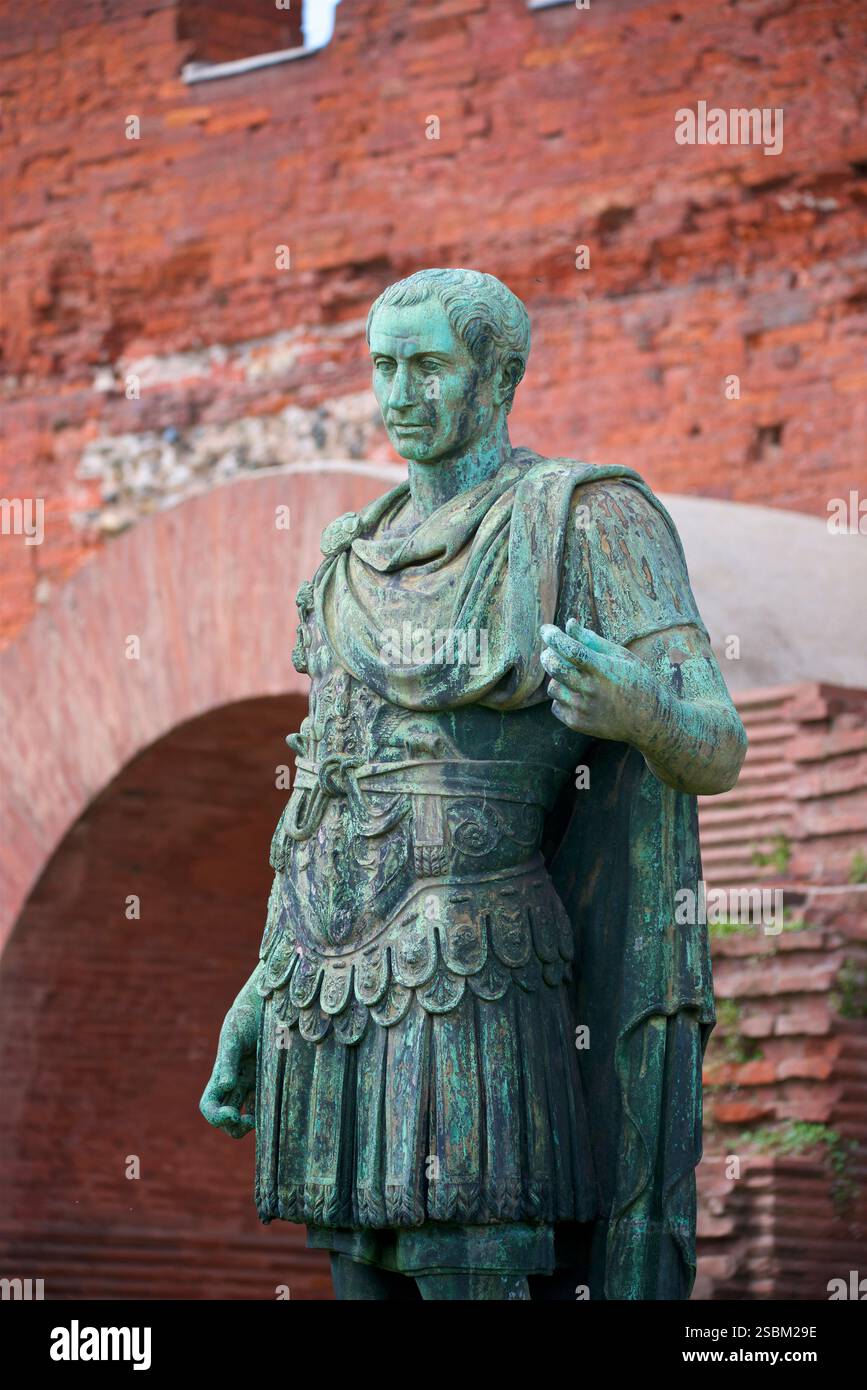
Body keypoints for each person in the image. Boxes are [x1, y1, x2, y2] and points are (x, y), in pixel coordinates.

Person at [200, 268, 747, 1300]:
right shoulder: (350, 561)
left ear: (496, 376)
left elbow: (716, 742)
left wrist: (642, 709)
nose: (398, 392)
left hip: (479, 973)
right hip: (330, 990)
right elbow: (319, 798)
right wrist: (260, 991)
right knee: (355, 1263)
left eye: (427, 366)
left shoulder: (583, 520)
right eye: (382, 366)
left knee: (476, 1261)